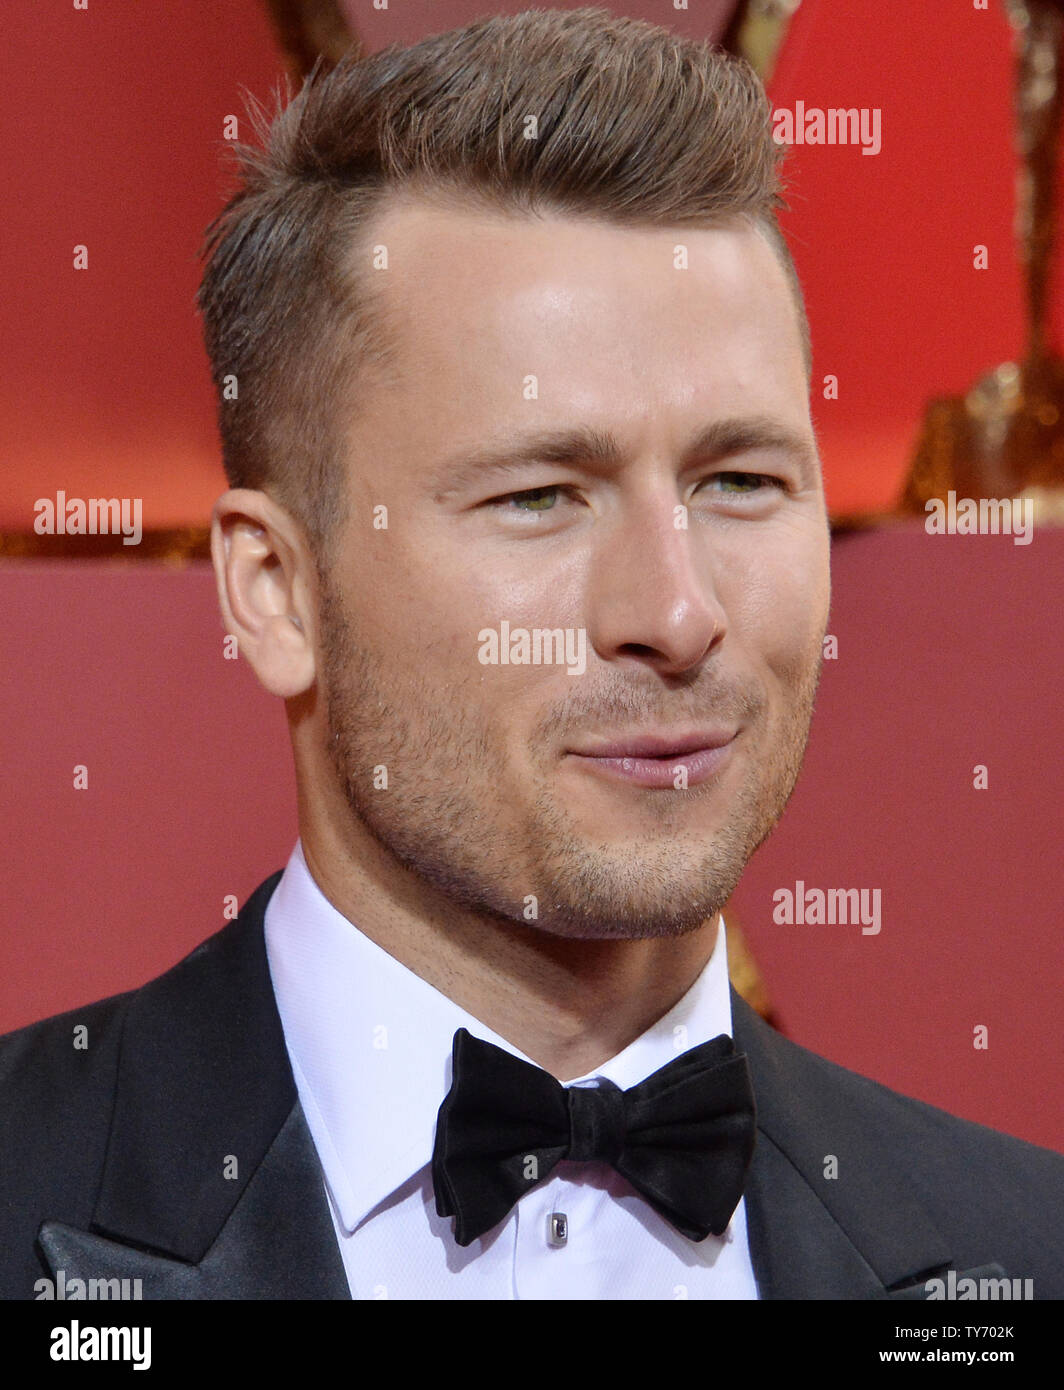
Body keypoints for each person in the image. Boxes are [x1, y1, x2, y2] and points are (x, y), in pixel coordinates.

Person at [2, 7, 1061, 1302]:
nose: (676, 614)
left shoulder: (1022, 1251)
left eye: (738, 479)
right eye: (541, 497)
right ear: (276, 590)